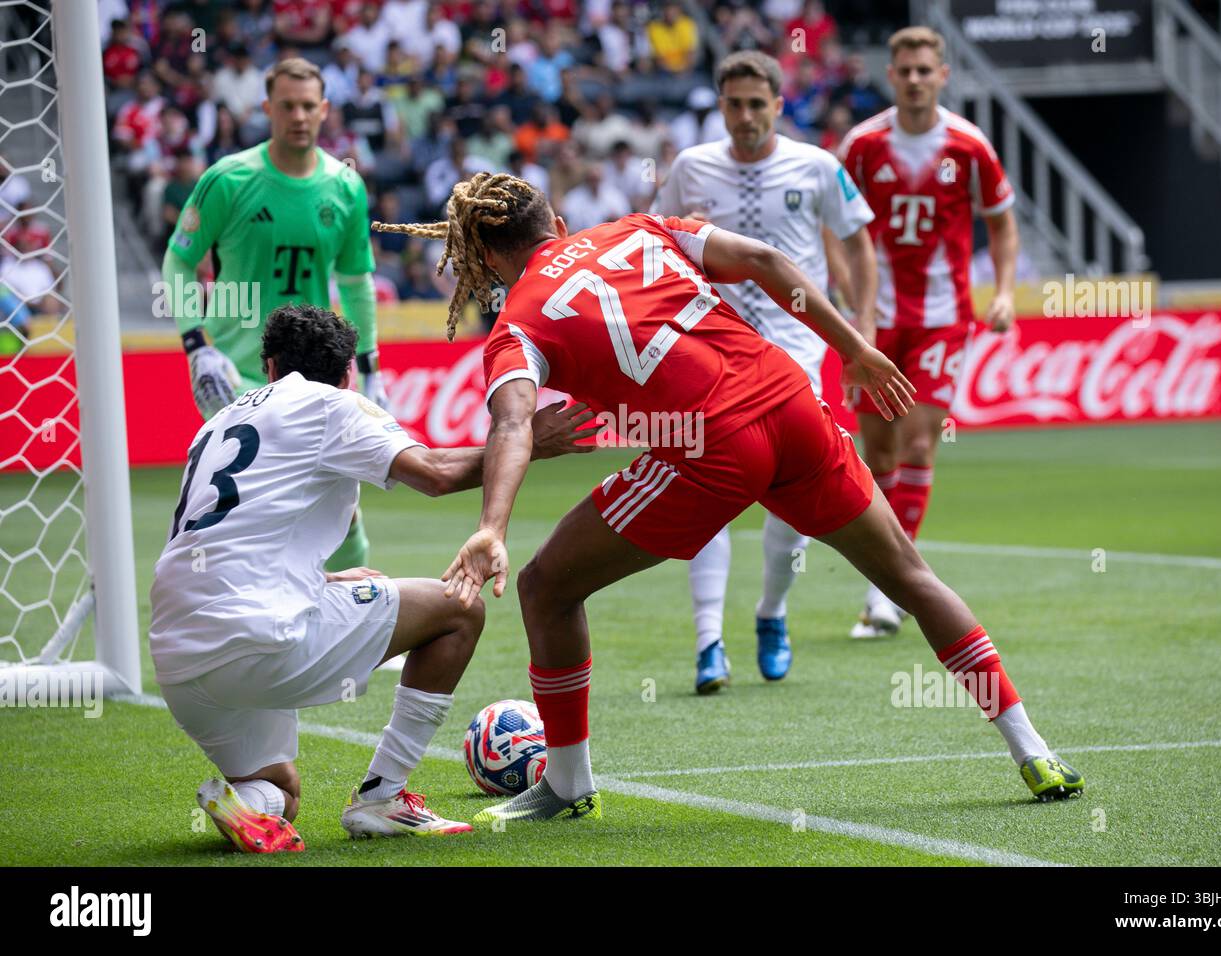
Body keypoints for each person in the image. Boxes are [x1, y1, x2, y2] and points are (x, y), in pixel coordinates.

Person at [374, 173, 1085, 821]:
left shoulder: (517, 322)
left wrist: (493, 525)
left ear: (486, 258)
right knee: (910, 576)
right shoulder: (636, 228)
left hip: (711, 445)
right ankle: (1033, 751)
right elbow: (769, 263)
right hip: (792, 403)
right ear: (556, 219)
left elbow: (512, 423)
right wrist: (855, 349)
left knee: (545, 586)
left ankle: (566, 782)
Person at [150, 303, 596, 852]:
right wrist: (529, 442)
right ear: (346, 375)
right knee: (459, 609)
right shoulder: (332, 403)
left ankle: (242, 802)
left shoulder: (219, 423)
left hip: (177, 658)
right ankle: (383, 796)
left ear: (268, 366)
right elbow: (432, 474)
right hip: (255, 639)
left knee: (279, 793)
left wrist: (324, 580)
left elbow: (224, 538)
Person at [651, 50, 877, 692]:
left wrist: (862, 327)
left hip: (795, 348)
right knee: (704, 491)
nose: (746, 116)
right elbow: (654, 241)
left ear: (779, 105)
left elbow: (858, 239)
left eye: (757, 104)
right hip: (706, 347)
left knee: (794, 496)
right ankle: (708, 643)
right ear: (720, 106)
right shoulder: (692, 167)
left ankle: (772, 613)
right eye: (734, 104)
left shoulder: (818, 165)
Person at [161, 57, 386, 573]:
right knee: (256, 506)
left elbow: (355, 282)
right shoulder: (229, 178)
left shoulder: (346, 187)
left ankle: (355, 617)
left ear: (325, 110)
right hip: (237, 373)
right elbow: (179, 258)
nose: (299, 116)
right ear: (267, 108)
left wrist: (370, 366)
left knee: (340, 508)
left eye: (309, 106)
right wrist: (197, 347)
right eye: (287, 105)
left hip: (317, 377)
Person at [837, 27, 1019, 638]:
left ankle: (887, 590)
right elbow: (834, 223)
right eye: (905, 70)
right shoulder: (863, 145)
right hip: (873, 319)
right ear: (890, 75)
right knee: (879, 453)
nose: (915, 79)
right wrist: (845, 298)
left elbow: (1001, 222)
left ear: (943, 75)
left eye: (925, 70)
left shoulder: (968, 144)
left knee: (918, 444)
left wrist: (1007, 291)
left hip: (944, 317)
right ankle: (890, 578)